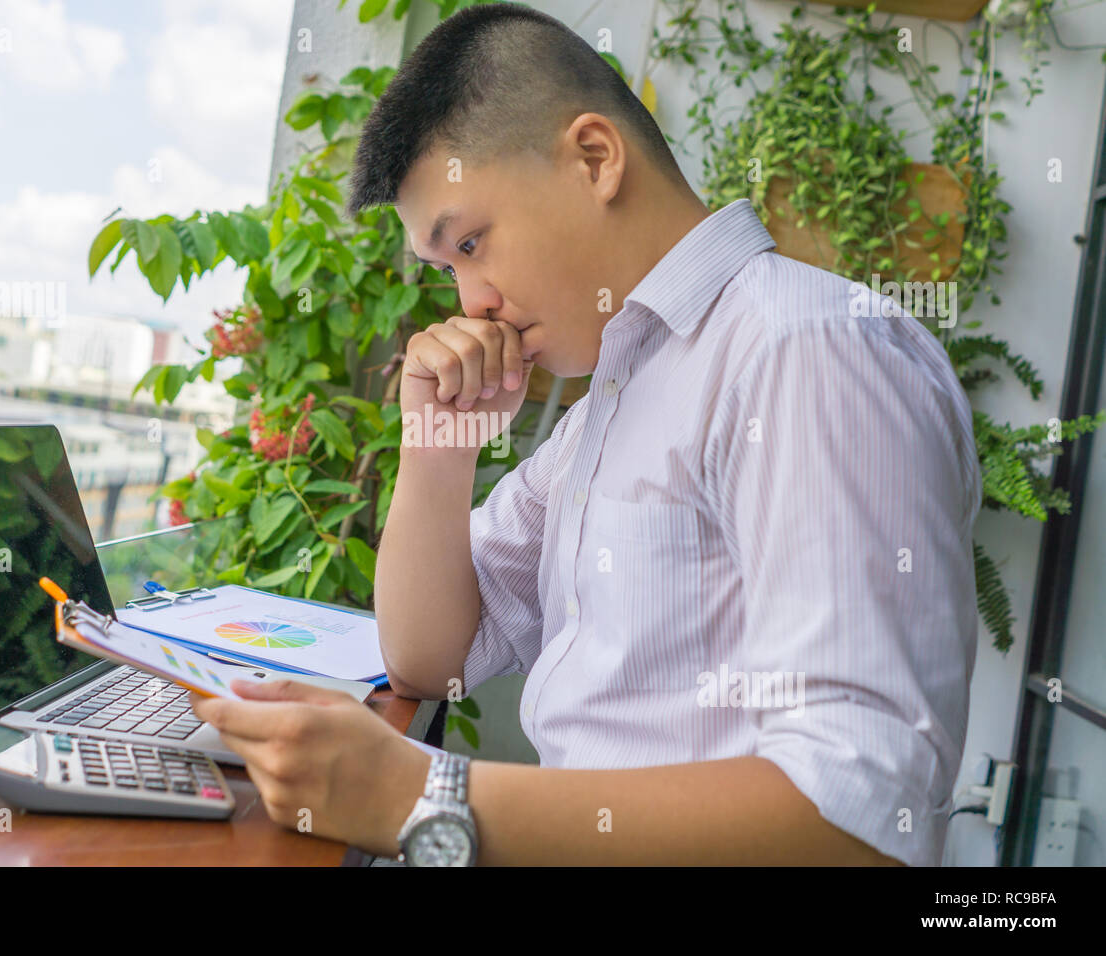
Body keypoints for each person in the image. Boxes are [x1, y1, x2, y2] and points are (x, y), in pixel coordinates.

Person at [192, 2, 981, 866]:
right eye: (447, 268)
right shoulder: (617, 393)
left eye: (472, 242)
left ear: (595, 159)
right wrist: (441, 449)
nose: (471, 302)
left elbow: (858, 820)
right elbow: (428, 660)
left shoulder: (806, 351)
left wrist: (426, 798)